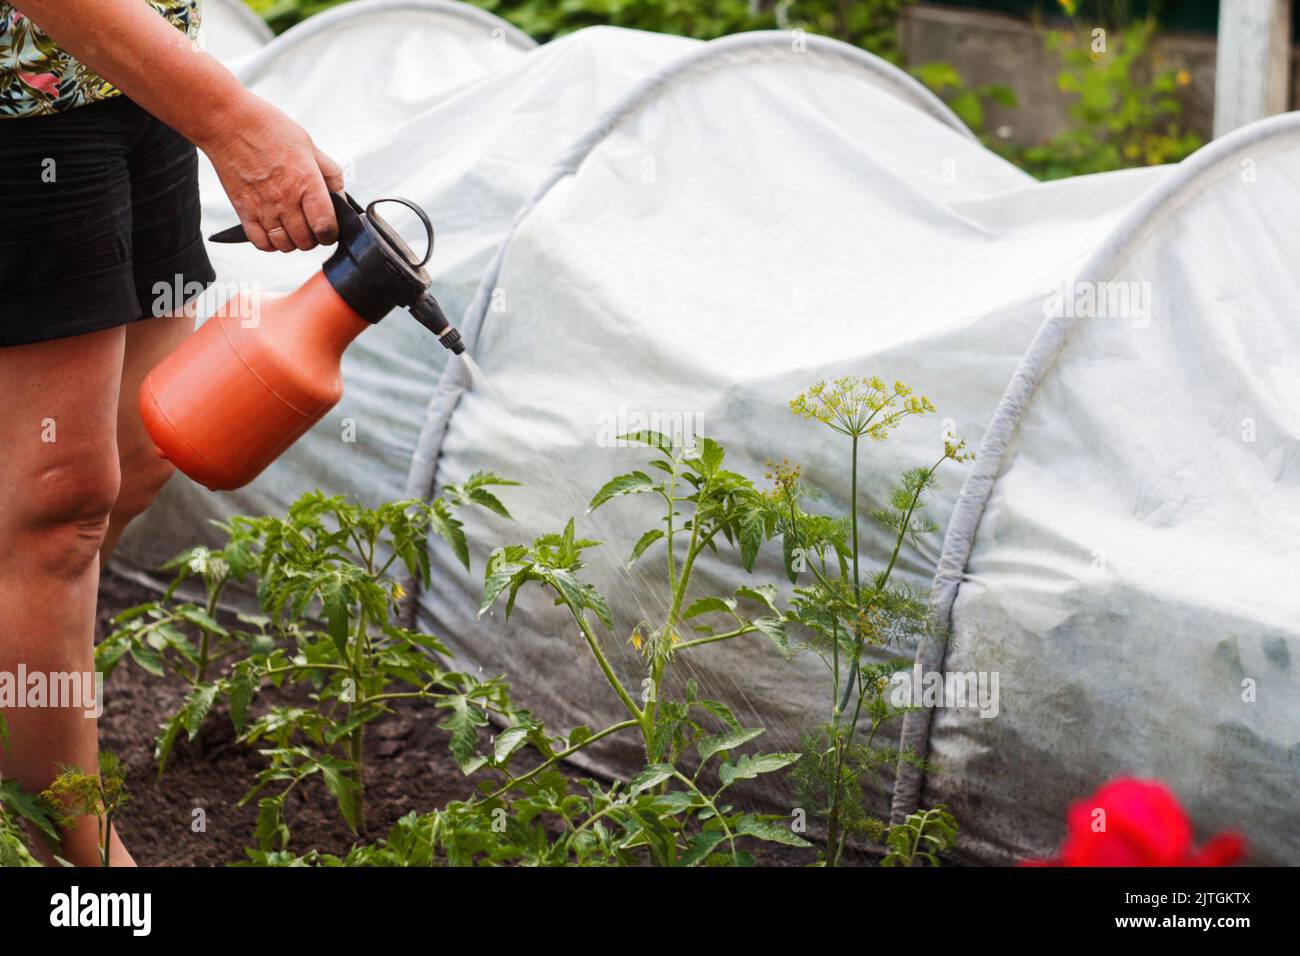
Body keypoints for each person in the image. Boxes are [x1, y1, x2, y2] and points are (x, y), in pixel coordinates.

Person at [0, 0, 342, 866]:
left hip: (137, 67)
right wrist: (232, 119)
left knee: (142, 450)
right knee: (59, 506)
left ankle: (21, 726)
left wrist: (195, 97)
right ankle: (77, 868)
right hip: (20, 104)